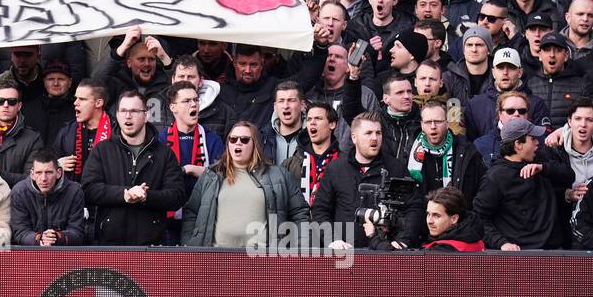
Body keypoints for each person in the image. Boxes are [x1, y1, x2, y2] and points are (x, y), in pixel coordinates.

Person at [80, 90, 187, 245]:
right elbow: (88, 189)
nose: (127, 116)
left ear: (146, 115)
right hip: (110, 243)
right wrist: (123, 194)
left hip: (151, 245)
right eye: (123, 111)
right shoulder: (102, 150)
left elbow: (177, 196)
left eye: (134, 111)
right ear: (116, 115)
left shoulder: (164, 154)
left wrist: (146, 197)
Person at [181, 120, 309, 248]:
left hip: (262, 259)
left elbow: (299, 212)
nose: (238, 143)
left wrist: (298, 248)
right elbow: (191, 211)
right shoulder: (211, 175)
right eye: (233, 139)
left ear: (255, 144)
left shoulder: (279, 175)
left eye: (244, 140)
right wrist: (190, 243)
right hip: (217, 257)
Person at [313, 110, 422, 249]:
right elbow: (320, 209)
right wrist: (332, 240)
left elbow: (413, 207)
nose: (375, 138)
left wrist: (403, 241)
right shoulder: (336, 168)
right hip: (345, 253)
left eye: (378, 133)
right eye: (368, 133)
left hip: (386, 253)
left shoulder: (396, 168)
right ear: (354, 137)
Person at [474, 116, 573, 250]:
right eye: (532, 139)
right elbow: (479, 217)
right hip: (520, 254)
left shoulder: (539, 160)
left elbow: (569, 175)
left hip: (553, 250)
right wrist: (502, 243)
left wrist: (543, 168)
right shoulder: (495, 177)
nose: (538, 143)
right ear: (518, 145)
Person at [10, 148, 87, 245]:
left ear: (59, 173)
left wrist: (58, 237)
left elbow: (78, 232)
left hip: (64, 254)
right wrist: (39, 238)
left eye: (49, 172)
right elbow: (20, 232)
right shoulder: (19, 192)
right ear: (32, 174)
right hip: (30, 254)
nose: (43, 179)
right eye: (39, 173)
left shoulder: (74, 192)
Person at [422, 185, 487, 251]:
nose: (429, 221)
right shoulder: (476, 240)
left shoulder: (440, 250)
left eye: (436, 215)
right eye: (428, 214)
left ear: (454, 219)